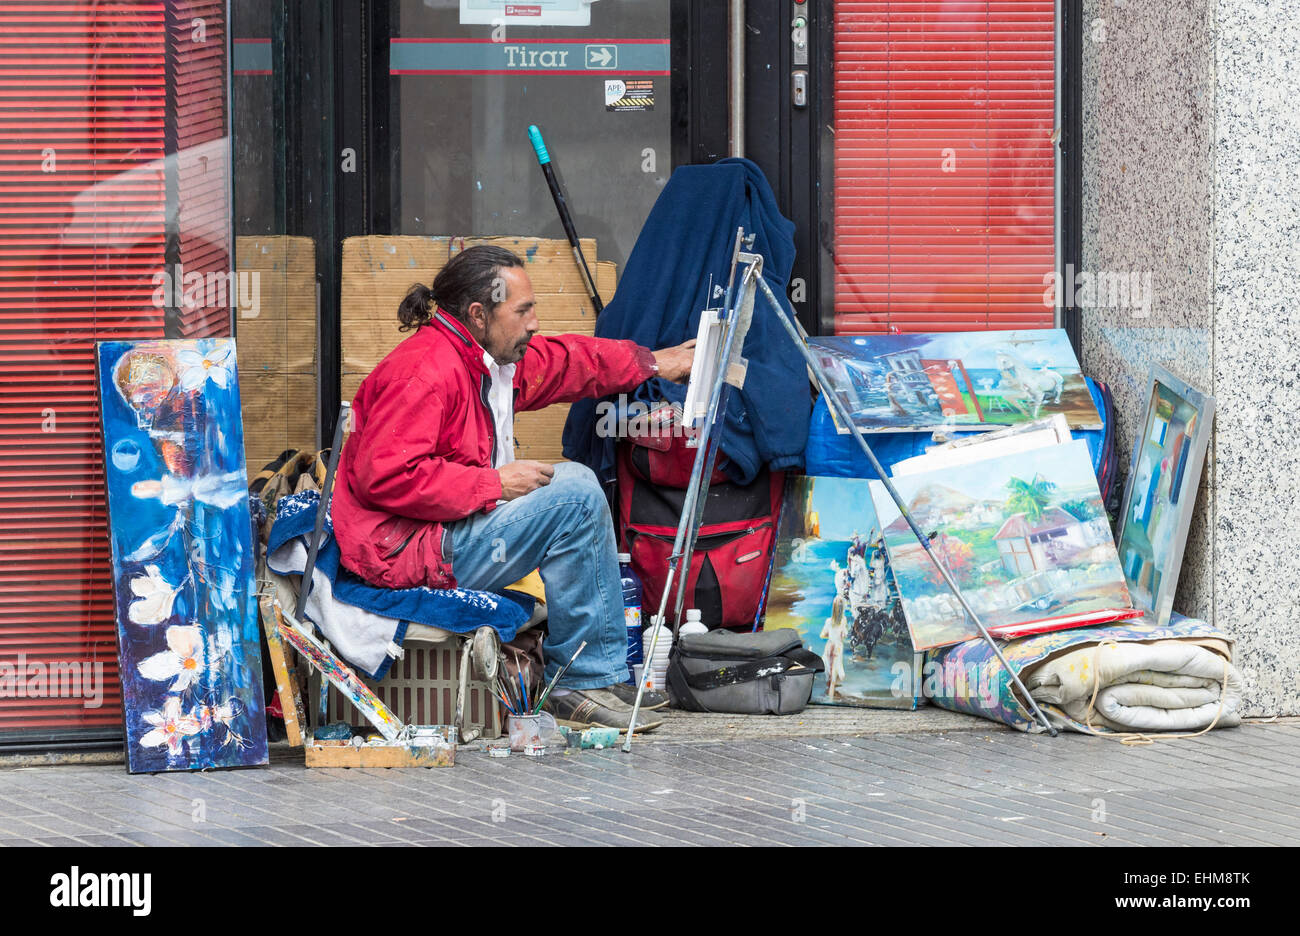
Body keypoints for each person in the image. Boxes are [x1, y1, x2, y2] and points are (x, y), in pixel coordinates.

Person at [331, 245, 695, 733]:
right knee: (578, 494)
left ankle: (596, 677)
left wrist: (652, 362)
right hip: (405, 551)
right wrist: (494, 483)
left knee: (573, 490)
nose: (535, 323)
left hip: (440, 532)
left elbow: (572, 362)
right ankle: (580, 684)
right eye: (523, 311)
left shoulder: (488, 358)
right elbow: (387, 477)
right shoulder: (425, 371)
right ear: (479, 315)